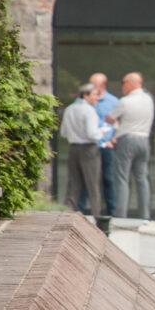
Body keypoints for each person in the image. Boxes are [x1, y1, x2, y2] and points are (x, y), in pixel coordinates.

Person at [106, 72, 155, 219]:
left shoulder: (125, 101)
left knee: (122, 178)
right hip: (144, 140)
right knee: (142, 178)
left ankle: (120, 215)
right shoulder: (149, 99)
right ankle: (145, 215)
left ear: (131, 83)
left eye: (123, 83)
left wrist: (116, 125)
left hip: (127, 140)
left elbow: (109, 118)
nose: (122, 86)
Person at [60, 82, 107, 220]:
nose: (97, 98)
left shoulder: (69, 109)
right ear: (85, 95)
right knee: (93, 185)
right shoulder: (89, 111)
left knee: (73, 185)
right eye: (95, 95)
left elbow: (63, 132)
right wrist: (102, 132)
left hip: (73, 148)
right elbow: (92, 133)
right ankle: (98, 218)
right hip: (89, 150)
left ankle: (66, 216)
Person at [78, 72, 118, 218]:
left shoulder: (113, 101)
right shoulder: (84, 104)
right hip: (89, 145)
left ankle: (111, 213)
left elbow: (120, 122)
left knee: (108, 179)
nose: (91, 88)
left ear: (103, 86)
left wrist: (115, 137)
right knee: (85, 180)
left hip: (106, 146)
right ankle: (80, 212)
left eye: (95, 85)